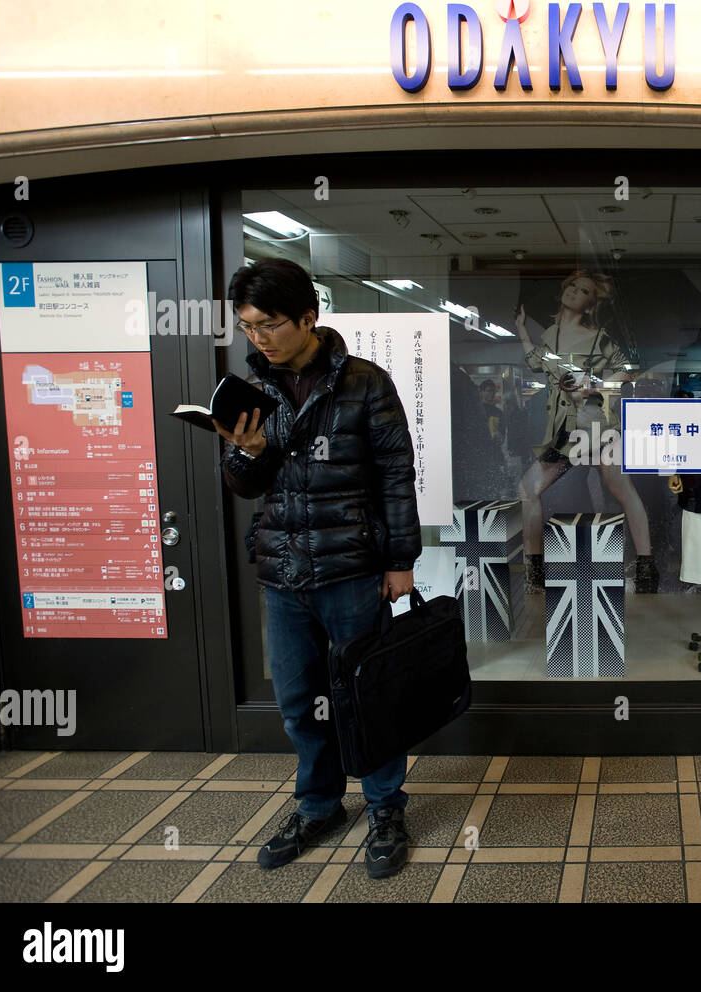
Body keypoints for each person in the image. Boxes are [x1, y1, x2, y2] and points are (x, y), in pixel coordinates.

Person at [215, 257, 420, 880]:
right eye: (248, 327)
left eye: (270, 324)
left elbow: (395, 475)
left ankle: (386, 809)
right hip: (282, 573)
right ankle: (319, 806)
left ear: (309, 317)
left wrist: (400, 560)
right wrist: (245, 453)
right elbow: (245, 487)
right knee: (300, 702)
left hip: (354, 569)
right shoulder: (253, 391)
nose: (259, 338)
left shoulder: (365, 383)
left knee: (367, 695)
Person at [514, 269, 657, 593]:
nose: (575, 292)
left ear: (592, 303)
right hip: (564, 426)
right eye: (573, 286)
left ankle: (646, 568)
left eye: (584, 291)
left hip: (592, 423)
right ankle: (536, 572)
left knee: (619, 490)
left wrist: (598, 384)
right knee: (532, 490)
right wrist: (522, 330)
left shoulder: (597, 337)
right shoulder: (550, 333)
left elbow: (628, 369)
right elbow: (538, 362)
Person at [478, 378, 506, 458]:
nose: (492, 393)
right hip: (480, 452)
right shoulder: (476, 410)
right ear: (481, 392)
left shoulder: (498, 412)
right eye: (489, 390)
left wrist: (499, 436)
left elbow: (502, 435)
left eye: (494, 391)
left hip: (495, 452)